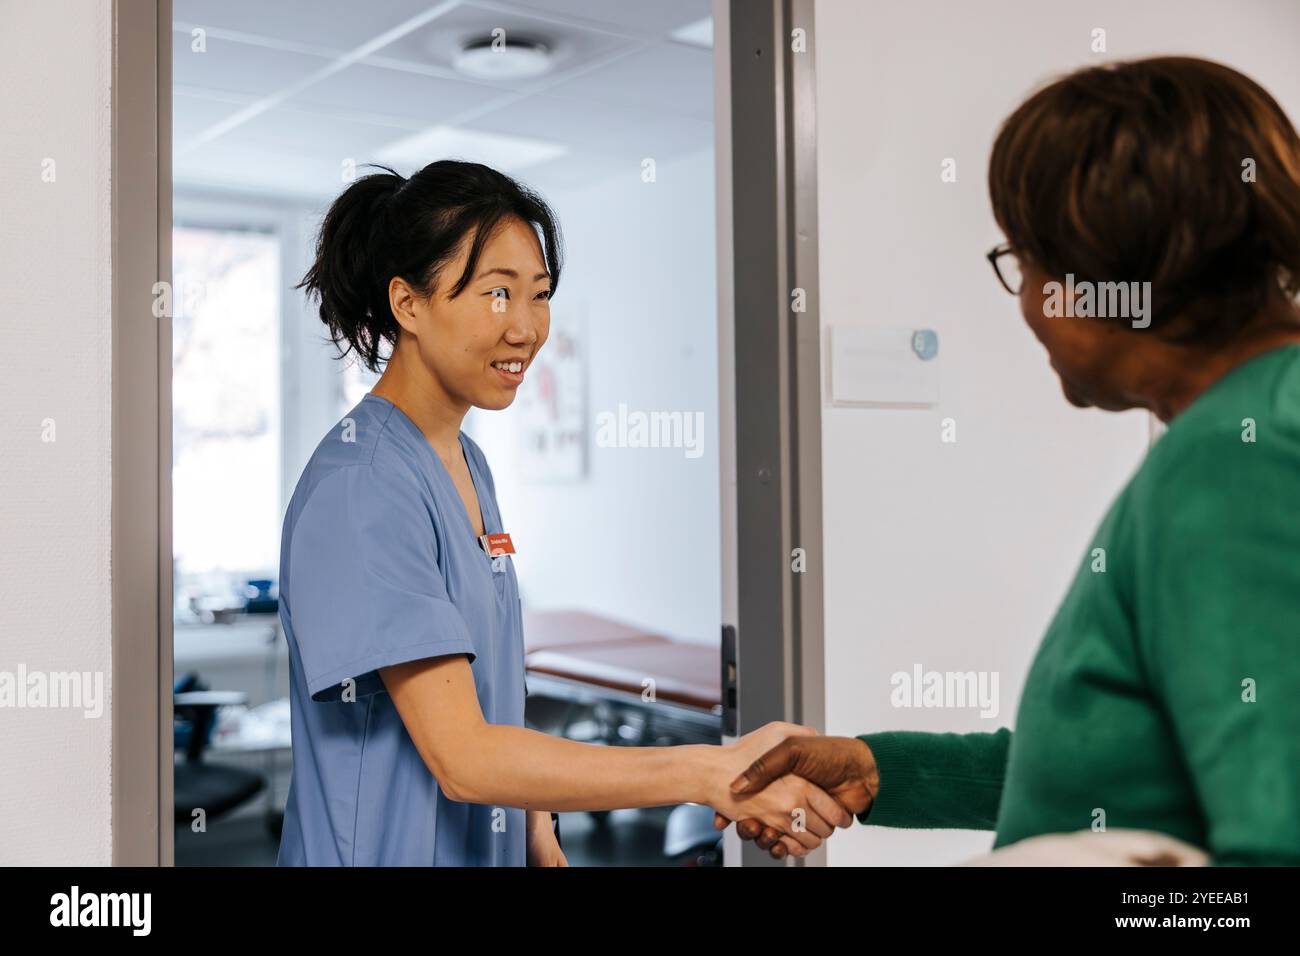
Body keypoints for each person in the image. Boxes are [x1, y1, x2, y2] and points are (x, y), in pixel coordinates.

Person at [723, 56, 1300, 865]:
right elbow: (1128, 773)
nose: (1025, 299)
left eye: (1024, 259)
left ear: (1105, 269)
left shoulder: (1238, 460)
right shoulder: (1253, 425)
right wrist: (881, 768)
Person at [274, 160, 853, 866]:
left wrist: (534, 816)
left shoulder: (466, 463)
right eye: (497, 293)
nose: (526, 328)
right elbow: (463, 757)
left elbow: (488, 704)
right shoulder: (361, 487)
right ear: (409, 304)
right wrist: (711, 772)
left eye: (539, 294)